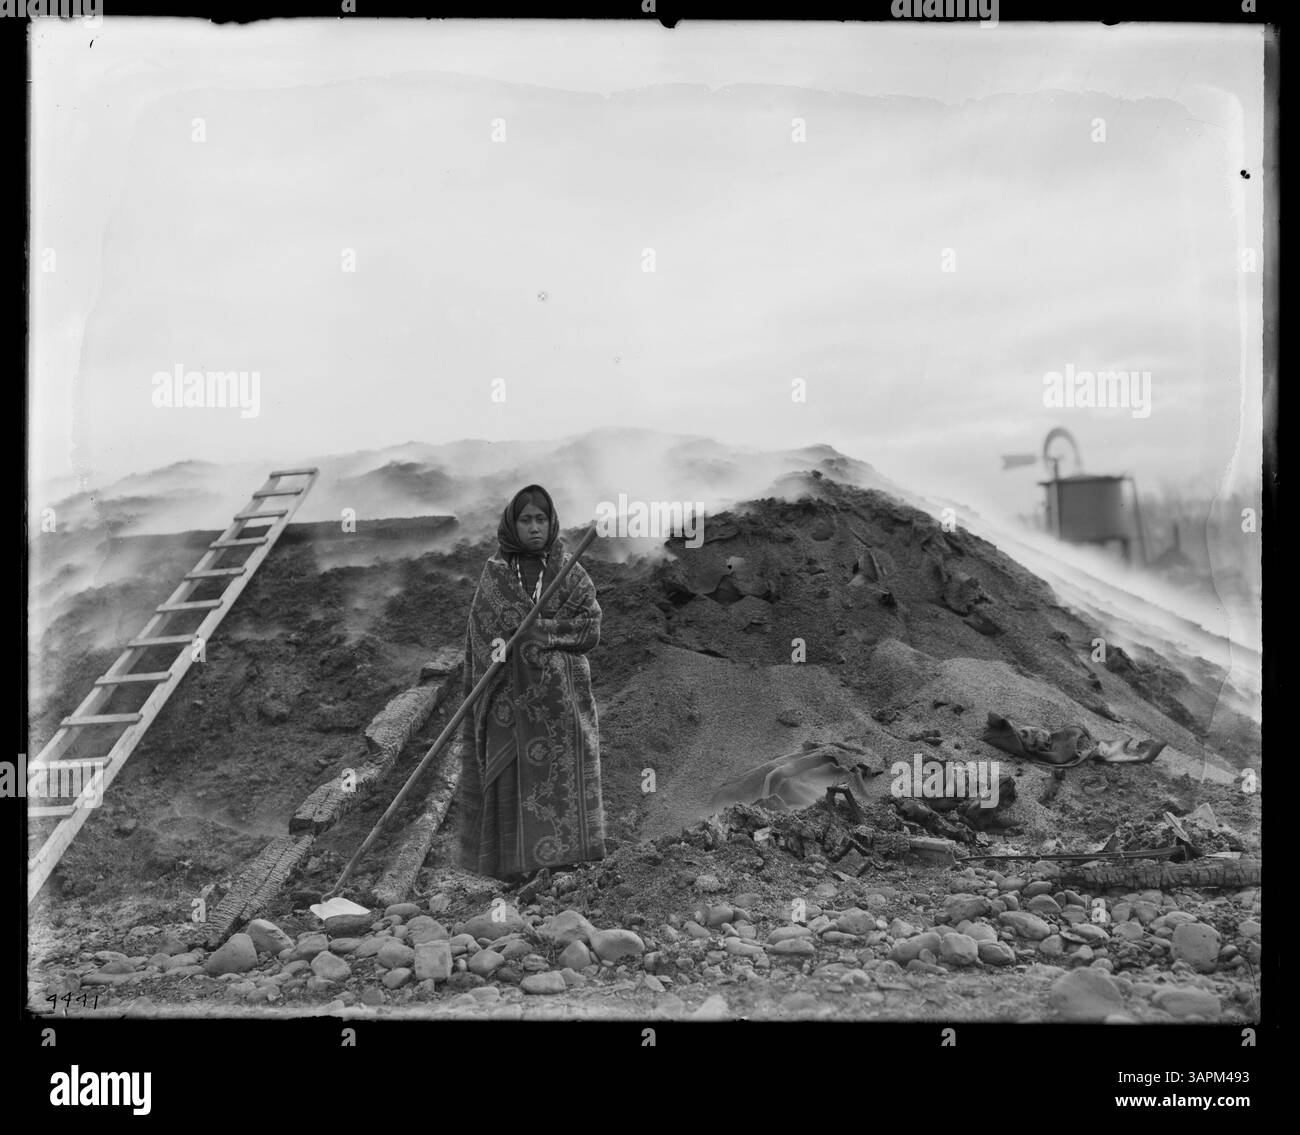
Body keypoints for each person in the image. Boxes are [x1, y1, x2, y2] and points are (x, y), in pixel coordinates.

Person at [457, 484, 607, 882]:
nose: (535, 528)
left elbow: (590, 628)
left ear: (551, 522)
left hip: (562, 703)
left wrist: (538, 634)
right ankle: (516, 870)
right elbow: (480, 638)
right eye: (526, 520)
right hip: (509, 704)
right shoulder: (495, 578)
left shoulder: (570, 574)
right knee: (514, 776)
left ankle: (571, 862)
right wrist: (506, 647)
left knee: (562, 777)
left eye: (541, 519)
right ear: (512, 524)